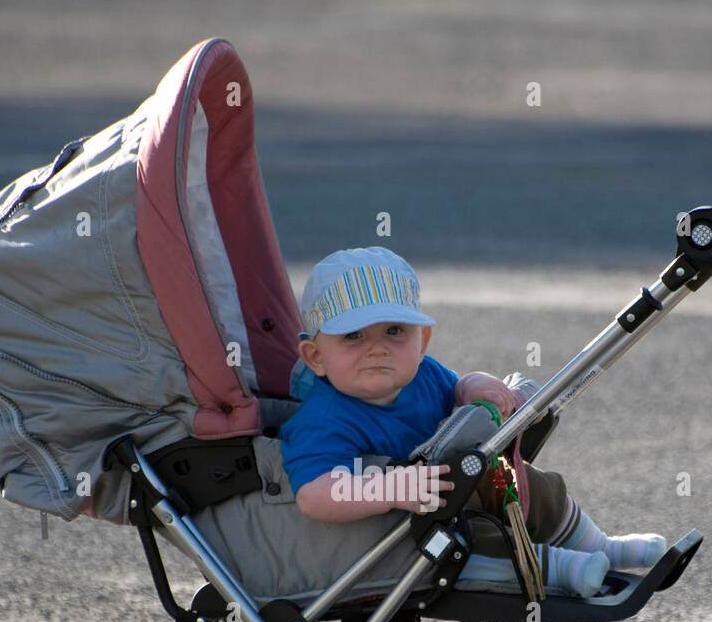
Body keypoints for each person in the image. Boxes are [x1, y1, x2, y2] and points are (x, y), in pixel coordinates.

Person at [280, 247, 665, 597]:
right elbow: (314, 495)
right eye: (353, 335)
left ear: (422, 340)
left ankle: (598, 545)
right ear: (315, 357)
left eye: (394, 331)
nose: (377, 347)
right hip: (408, 530)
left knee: (534, 483)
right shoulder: (321, 419)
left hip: (463, 486)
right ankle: (560, 567)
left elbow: (457, 392)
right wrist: (387, 489)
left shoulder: (424, 375)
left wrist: (473, 385)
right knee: (471, 540)